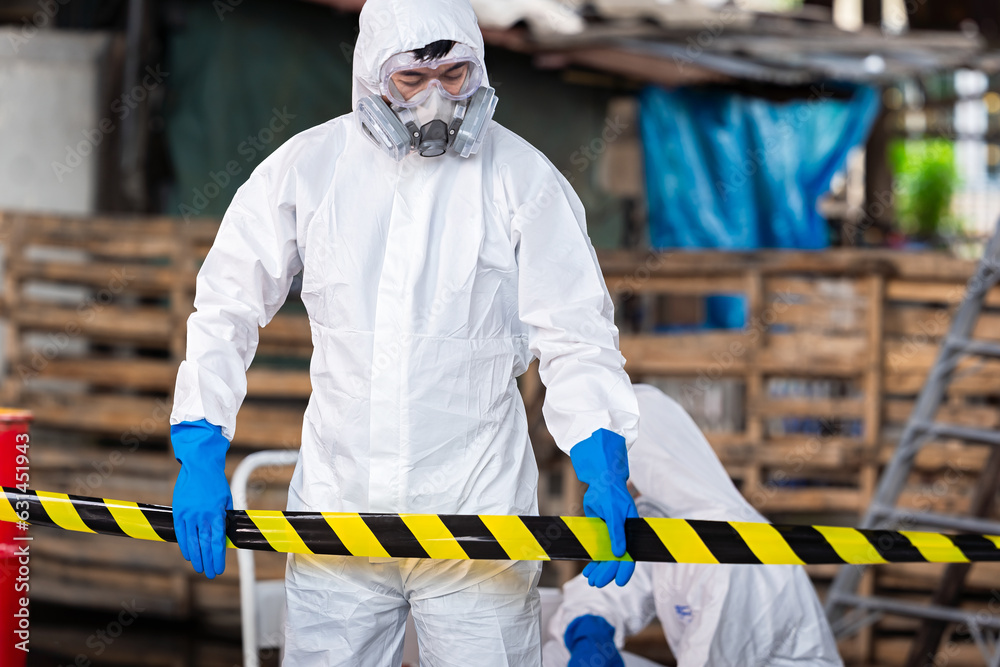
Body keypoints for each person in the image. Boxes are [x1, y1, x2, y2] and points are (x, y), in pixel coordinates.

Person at [168, 0, 641, 664]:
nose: (439, 101)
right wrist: (199, 438)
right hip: (340, 513)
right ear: (370, 78)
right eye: (412, 81)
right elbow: (226, 306)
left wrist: (602, 459)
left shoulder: (522, 179)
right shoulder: (307, 170)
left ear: (478, 67)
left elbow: (576, 331)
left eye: (454, 75)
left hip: (477, 521)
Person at [543, 384, 843, 667]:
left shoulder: (730, 547)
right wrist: (589, 634)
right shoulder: (663, 526)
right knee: (555, 655)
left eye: (615, 473)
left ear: (649, 463)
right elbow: (602, 596)